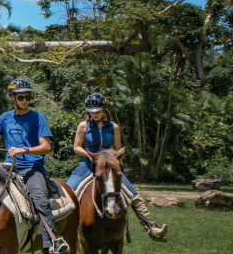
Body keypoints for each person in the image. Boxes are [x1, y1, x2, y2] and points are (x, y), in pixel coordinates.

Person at [0, 78, 69, 254]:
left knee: (40, 200)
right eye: (21, 97)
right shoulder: (5, 117)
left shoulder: (38, 117)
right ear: (13, 98)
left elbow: (46, 147)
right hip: (8, 167)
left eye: (27, 97)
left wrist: (24, 150)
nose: (25, 100)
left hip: (32, 168)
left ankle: (51, 245)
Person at [67, 92, 168, 241]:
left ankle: (151, 228)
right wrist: (88, 155)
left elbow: (118, 148)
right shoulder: (83, 126)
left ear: (104, 109)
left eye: (98, 111)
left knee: (133, 195)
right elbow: (76, 147)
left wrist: (114, 159)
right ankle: (62, 233)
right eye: (91, 112)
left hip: (108, 168)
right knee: (68, 193)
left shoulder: (114, 127)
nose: (94, 114)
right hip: (88, 165)